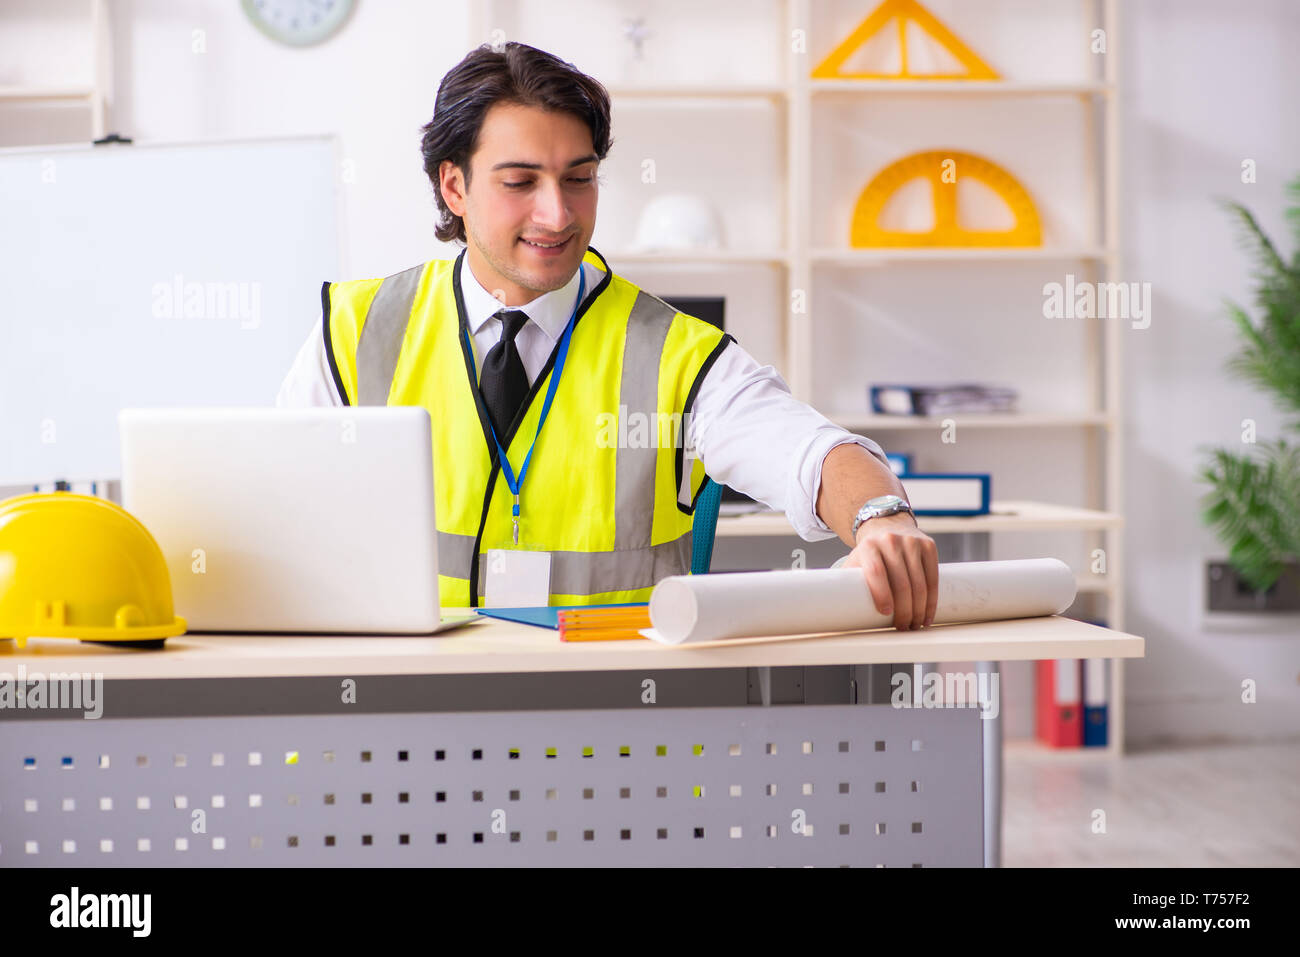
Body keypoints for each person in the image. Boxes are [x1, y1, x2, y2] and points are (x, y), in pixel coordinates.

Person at [277, 42, 938, 630]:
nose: (557, 213)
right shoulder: (357, 330)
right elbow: (276, 509)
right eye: (520, 182)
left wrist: (881, 515)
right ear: (454, 185)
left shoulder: (675, 352)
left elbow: (809, 449)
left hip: (615, 746)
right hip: (396, 735)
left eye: (579, 178)